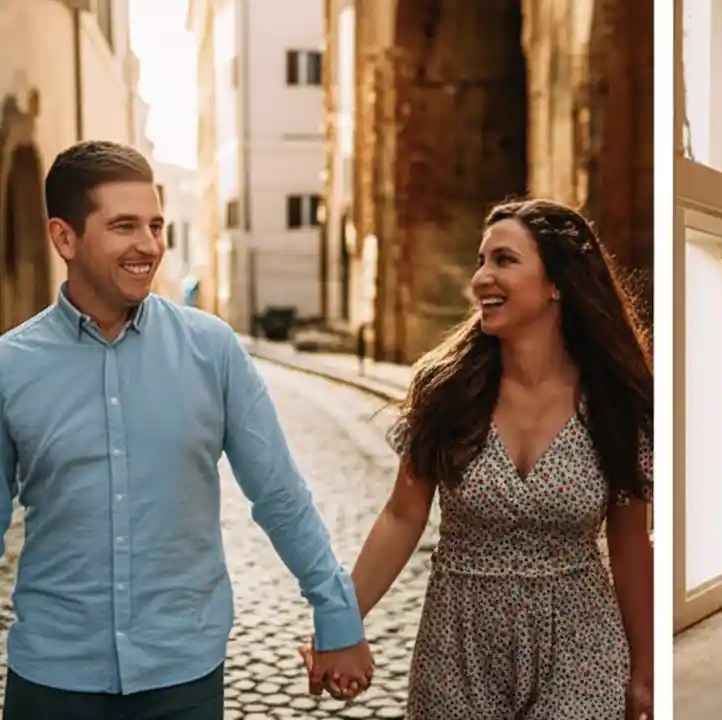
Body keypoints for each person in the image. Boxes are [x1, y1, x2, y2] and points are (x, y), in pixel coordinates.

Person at [0, 140, 373, 718]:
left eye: (155, 224)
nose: (149, 245)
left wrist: (337, 613)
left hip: (183, 679)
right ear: (64, 238)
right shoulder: (11, 367)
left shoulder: (212, 350)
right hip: (53, 679)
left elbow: (278, 493)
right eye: (124, 226)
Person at [304, 199, 654, 719]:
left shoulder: (614, 403)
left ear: (558, 282)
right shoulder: (446, 390)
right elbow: (401, 517)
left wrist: (645, 673)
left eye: (504, 260)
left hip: (582, 645)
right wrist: (340, 626)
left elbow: (629, 545)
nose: (482, 278)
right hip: (458, 641)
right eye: (481, 261)